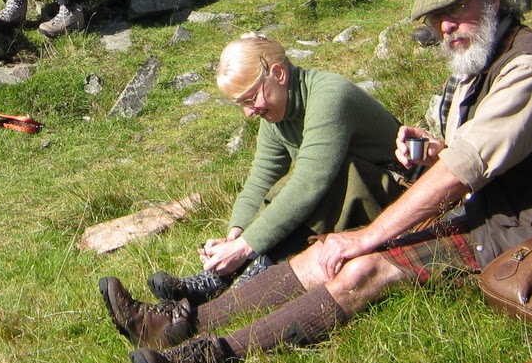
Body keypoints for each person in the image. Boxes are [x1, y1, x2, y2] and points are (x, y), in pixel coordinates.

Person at [104, 0, 532, 363]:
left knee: (362, 267)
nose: (448, 28)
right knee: (327, 250)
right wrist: (430, 151)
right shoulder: (481, 63)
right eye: (438, 19)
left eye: (459, 9)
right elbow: (465, 156)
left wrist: (368, 236)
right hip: (488, 208)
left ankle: (207, 360)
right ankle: (178, 325)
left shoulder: (526, 68)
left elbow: (463, 170)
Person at [117, 33, 403, 331]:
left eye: (251, 98)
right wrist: (235, 233)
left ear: (278, 74)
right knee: (286, 187)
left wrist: (245, 247)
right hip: (352, 201)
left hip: (391, 197)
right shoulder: (278, 111)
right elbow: (262, 177)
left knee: (325, 180)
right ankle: (219, 280)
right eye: (241, 103)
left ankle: (229, 287)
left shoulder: (330, 96)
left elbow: (310, 185)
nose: (249, 112)